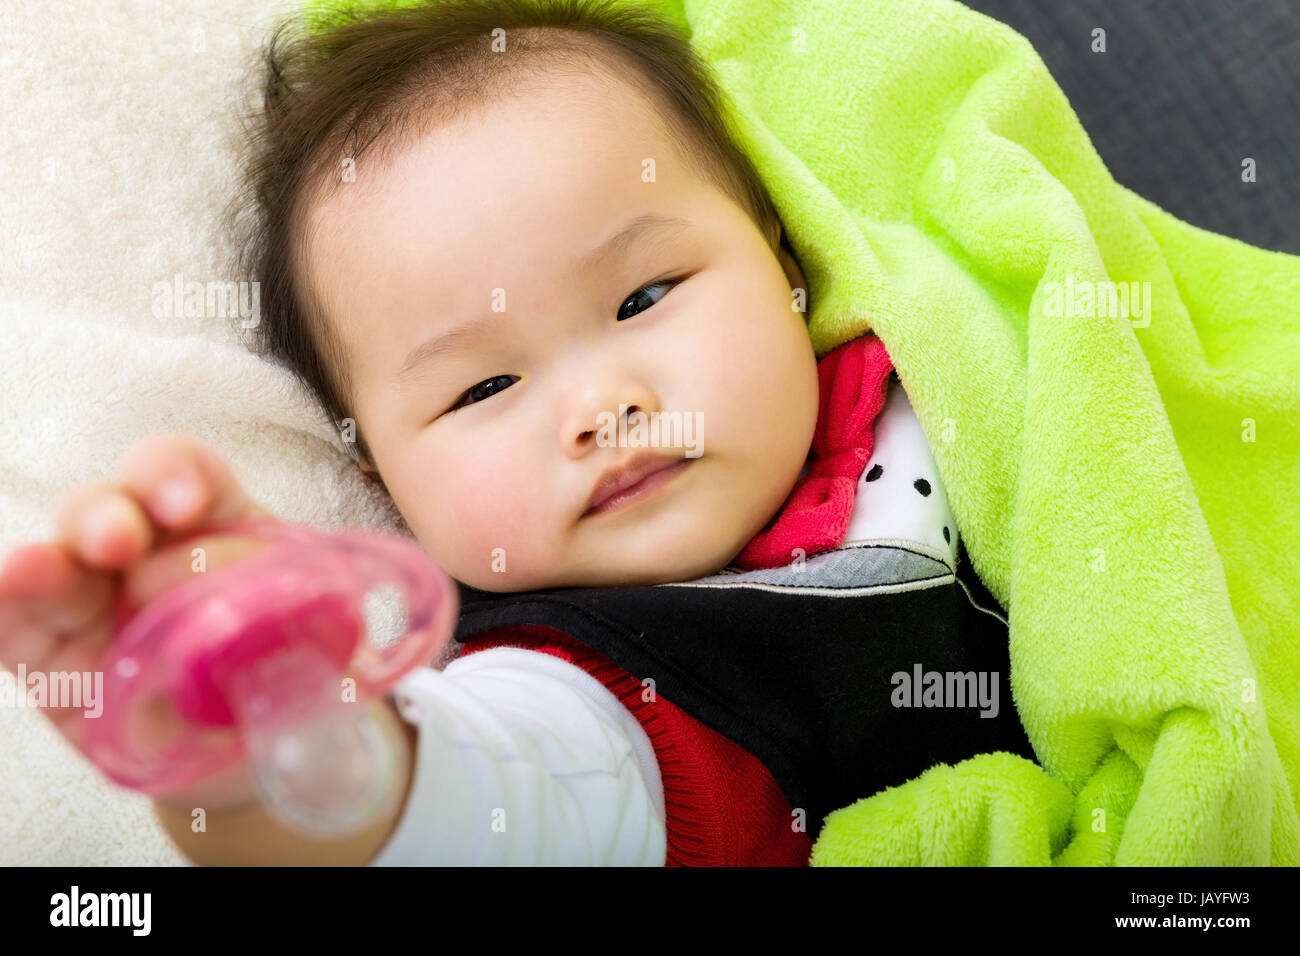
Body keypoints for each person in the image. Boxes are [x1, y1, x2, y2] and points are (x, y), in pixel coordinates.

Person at [0, 0, 1035, 866]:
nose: (600, 407)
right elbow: (485, 799)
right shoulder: (586, 684)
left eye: (644, 296)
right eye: (485, 384)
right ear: (384, 478)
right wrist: (277, 734)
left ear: (782, 258)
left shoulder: (957, 361)